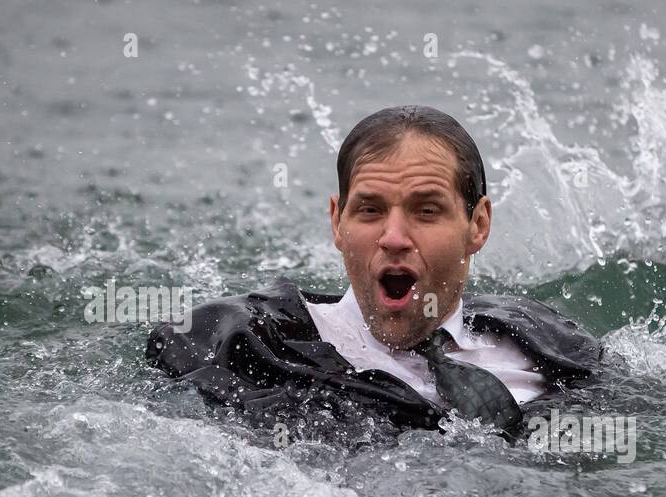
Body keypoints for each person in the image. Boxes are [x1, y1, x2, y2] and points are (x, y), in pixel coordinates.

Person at [146, 105, 602, 438]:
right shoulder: (241, 345)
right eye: (369, 210)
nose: (394, 237)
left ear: (477, 225)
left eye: (426, 211)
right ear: (337, 222)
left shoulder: (553, 351)